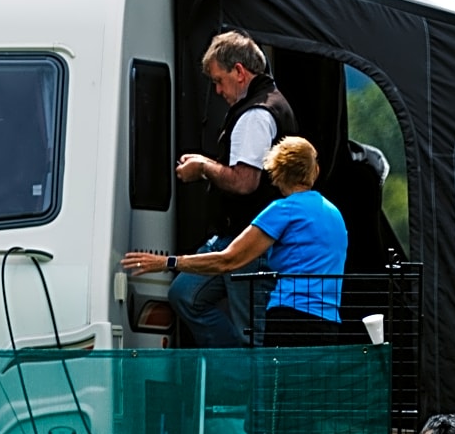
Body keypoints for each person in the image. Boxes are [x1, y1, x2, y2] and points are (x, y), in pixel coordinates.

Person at [126, 135, 351, 346]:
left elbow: (229, 260)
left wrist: (168, 263)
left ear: (276, 170)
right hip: (329, 322)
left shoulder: (284, 210)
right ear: (316, 170)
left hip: (291, 318)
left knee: (275, 385)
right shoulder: (334, 213)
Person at [164, 32, 296, 347]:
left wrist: (203, 168)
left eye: (219, 80)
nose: (218, 90)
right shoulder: (265, 104)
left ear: (239, 72)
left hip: (253, 242)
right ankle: (237, 368)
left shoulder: (256, 114)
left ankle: (247, 383)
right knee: (185, 296)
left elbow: (244, 182)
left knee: (251, 334)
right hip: (233, 234)